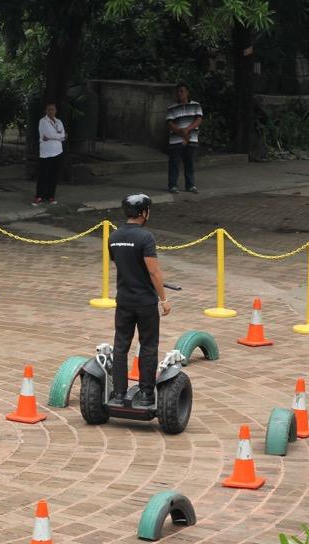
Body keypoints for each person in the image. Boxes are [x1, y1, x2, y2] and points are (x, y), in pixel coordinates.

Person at [108, 194, 172, 407]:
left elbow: (119, 262)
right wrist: (164, 299)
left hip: (124, 299)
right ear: (143, 213)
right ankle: (146, 394)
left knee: (120, 346)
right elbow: (154, 273)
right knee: (148, 346)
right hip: (145, 302)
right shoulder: (146, 238)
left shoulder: (114, 236)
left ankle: (118, 394)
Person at [166, 83, 203, 194]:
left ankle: (190, 185)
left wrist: (187, 129)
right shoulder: (171, 108)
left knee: (189, 163)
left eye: (182, 91)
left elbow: (199, 120)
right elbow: (170, 123)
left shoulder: (196, 105)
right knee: (174, 163)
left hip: (191, 139)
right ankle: (173, 185)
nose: (179, 93)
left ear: (187, 92)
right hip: (176, 139)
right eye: (178, 91)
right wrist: (181, 132)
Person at [33, 102, 66, 206]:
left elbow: (63, 135)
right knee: (43, 175)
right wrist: (59, 136)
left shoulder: (59, 121)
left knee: (54, 175)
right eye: (49, 109)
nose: (51, 111)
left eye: (52, 109)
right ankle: (39, 196)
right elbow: (49, 134)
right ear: (46, 111)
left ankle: (50, 196)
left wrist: (57, 136)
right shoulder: (43, 121)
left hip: (58, 151)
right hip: (46, 153)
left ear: (55, 111)